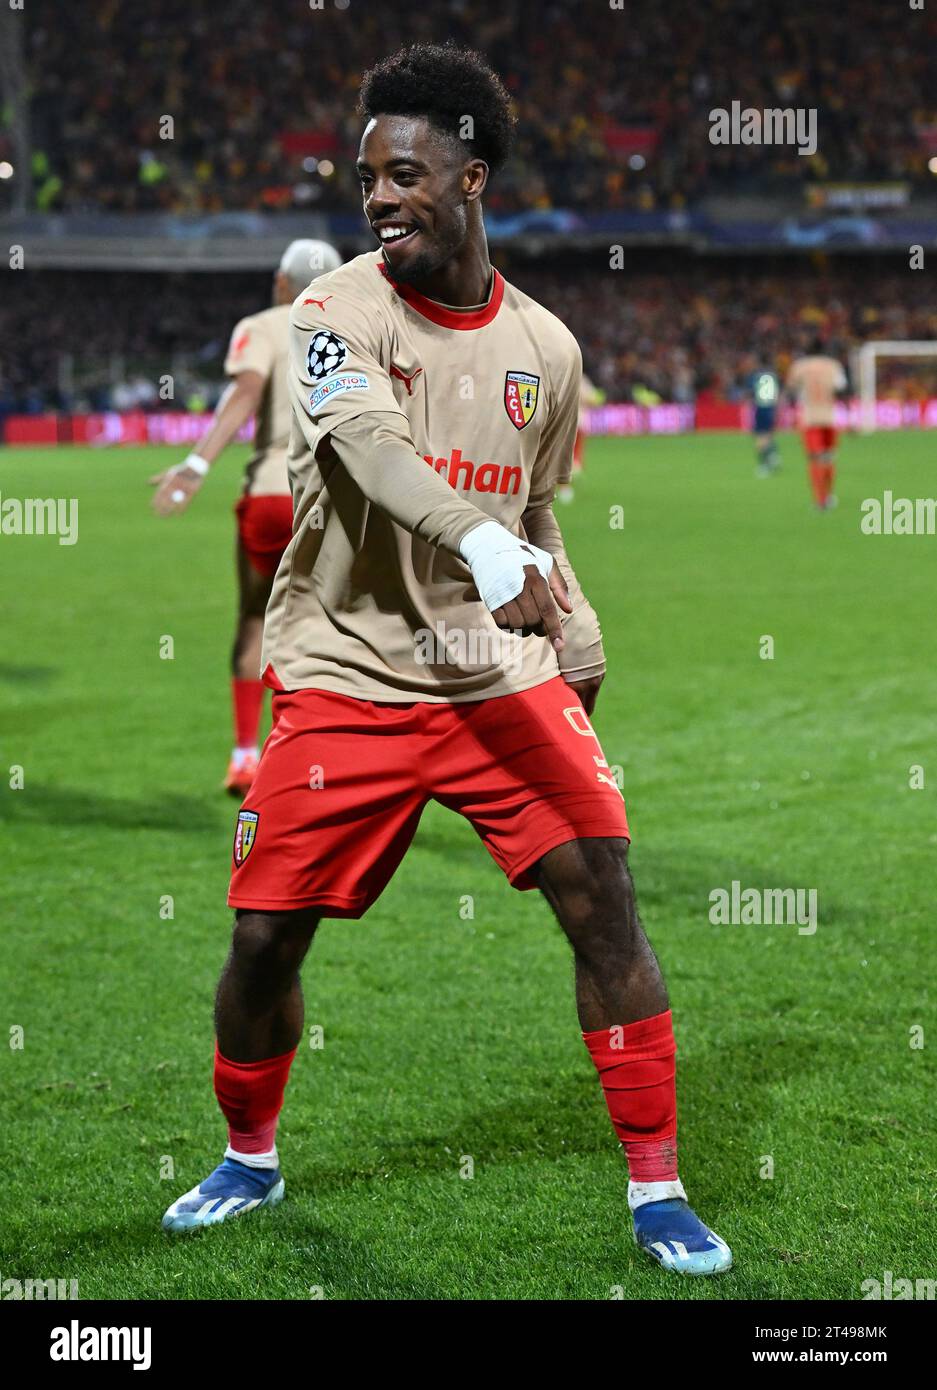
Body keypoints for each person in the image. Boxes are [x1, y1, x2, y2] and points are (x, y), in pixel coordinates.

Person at [161, 42, 731, 1277]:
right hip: (348, 671)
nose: (377, 197)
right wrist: (476, 539)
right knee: (264, 940)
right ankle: (248, 1158)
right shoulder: (331, 315)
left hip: (495, 678)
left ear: (473, 177)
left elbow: (535, 516)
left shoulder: (548, 349)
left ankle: (657, 1187)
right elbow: (367, 445)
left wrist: (572, 633)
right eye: (367, 177)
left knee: (606, 898)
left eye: (405, 174)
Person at [149, 239, 342, 795]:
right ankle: (317, 758)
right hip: (333, 499)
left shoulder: (262, 326)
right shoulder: (360, 325)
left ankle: (243, 755)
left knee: (255, 619)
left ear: (281, 282)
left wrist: (195, 463)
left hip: (268, 495)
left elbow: (246, 390)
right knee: (331, 629)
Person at [786, 338, 848, 509]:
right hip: (829, 418)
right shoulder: (833, 365)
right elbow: (842, 389)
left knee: (814, 459)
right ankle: (829, 495)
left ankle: (820, 500)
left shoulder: (799, 366)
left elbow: (791, 390)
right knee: (828, 458)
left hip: (810, 418)